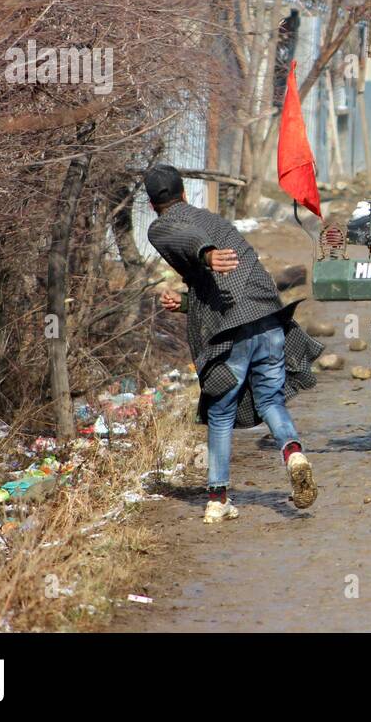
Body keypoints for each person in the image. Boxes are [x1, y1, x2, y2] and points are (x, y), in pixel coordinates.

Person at [144, 163, 321, 522]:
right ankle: (293, 453)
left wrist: (205, 254)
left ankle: (217, 499)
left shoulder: (161, 227)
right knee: (271, 398)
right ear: (183, 192)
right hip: (269, 317)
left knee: (221, 411)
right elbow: (228, 286)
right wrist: (187, 302)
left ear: (152, 204)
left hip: (231, 332)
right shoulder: (217, 221)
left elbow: (182, 240)